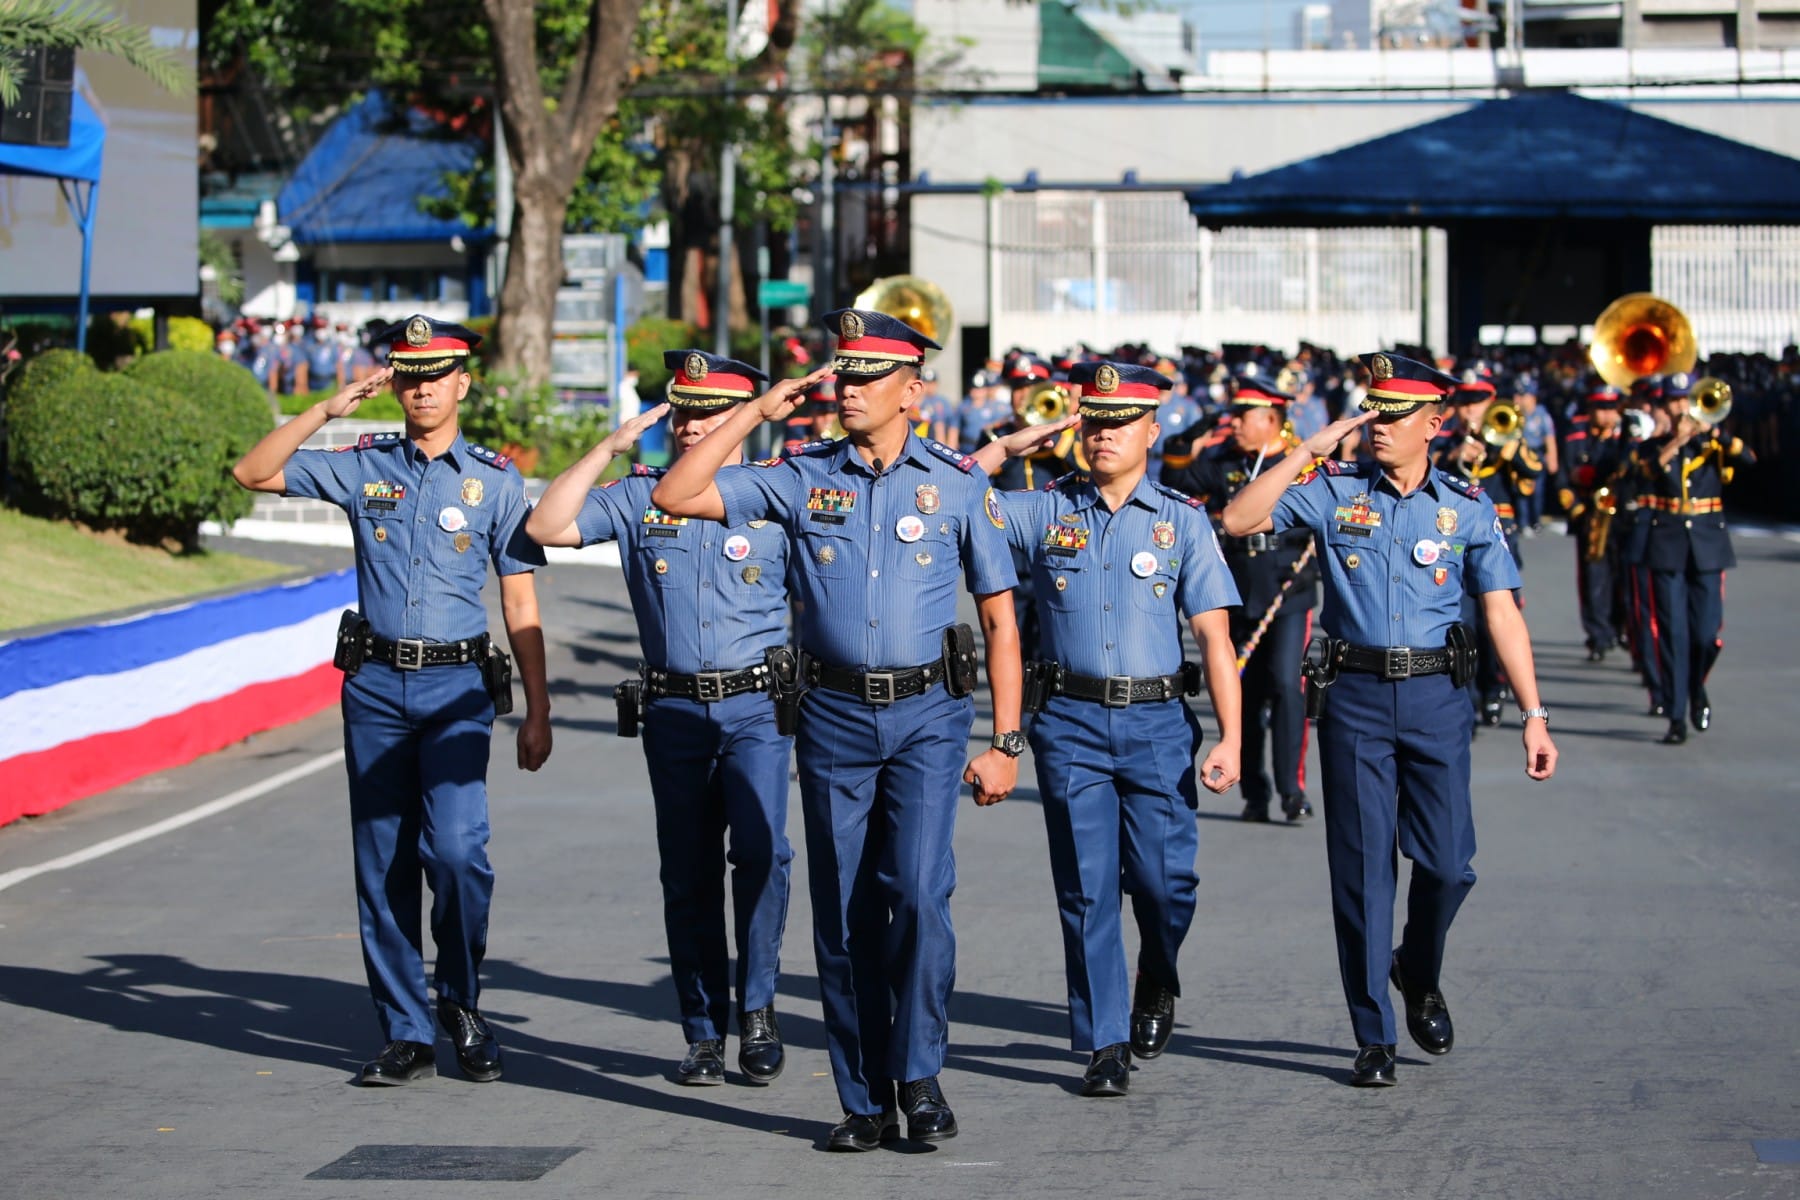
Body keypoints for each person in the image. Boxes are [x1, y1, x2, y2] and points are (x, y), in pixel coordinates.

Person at [651, 308, 1022, 1152]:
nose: (848, 388)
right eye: (842, 373)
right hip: (833, 717)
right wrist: (752, 414)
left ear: (913, 389)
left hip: (930, 715)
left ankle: (919, 1077)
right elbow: (675, 493)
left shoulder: (958, 481)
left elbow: (1001, 622)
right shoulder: (799, 474)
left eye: (867, 376)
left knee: (921, 897)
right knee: (846, 911)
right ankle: (863, 1100)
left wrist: (1004, 745)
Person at [231, 314, 553, 1086]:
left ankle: (462, 999)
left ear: (462, 383)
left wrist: (538, 708)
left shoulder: (496, 480)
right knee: (381, 863)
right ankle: (405, 1030)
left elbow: (519, 601)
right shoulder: (363, 464)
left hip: (456, 690)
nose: (422, 389)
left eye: (436, 375)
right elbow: (253, 472)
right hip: (374, 687)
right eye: (409, 377)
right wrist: (327, 410)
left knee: (457, 854)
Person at [1222, 350, 1557, 1088]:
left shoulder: (1468, 505)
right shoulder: (1335, 491)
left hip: (1439, 698)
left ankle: (1418, 966)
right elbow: (1240, 516)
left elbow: (1501, 611)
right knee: (1365, 873)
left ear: (1434, 424)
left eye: (1395, 415)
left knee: (1447, 866)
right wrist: (1307, 449)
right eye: (1372, 411)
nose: (1378, 425)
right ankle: (1372, 1033)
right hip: (1356, 698)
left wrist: (1534, 714)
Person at [526, 351, 797, 1086]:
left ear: (743, 417)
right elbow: (547, 526)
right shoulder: (639, 494)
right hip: (673, 706)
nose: (687, 425)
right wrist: (608, 448)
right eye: (681, 411)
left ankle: (760, 1010)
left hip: (757, 705)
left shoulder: (779, 493)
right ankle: (704, 1030)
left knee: (765, 859)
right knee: (688, 871)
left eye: (707, 412)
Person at [973, 360, 1241, 1098]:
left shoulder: (1182, 518)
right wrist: (1027, 437)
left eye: (1120, 422)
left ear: (1153, 430)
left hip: (1158, 722)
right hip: (1070, 722)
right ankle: (1105, 1041)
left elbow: (1216, 639)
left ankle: (1157, 968)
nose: (1102, 435)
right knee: (1087, 889)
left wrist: (1232, 736)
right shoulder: (1045, 509)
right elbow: (962, 486)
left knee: (1165, 883)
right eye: (1092, 421)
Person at [1165, 371, 1318, 823]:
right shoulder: (1223, 460)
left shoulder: (1299, 463)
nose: (1235, 424)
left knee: (1289, 688)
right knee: (1243, 695)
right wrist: (1197, 431)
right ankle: (1255, 791)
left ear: (1272, 419)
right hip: (1237, 590)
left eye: (1244, 416)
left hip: (1288, 591)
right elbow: (1175, 472)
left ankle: (1293, 789)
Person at [1634, 372, 1755, 745]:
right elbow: (1645, 473)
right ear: (1663, 405)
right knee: (1671, 634)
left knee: (1705, 634)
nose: (1681, 406)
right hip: (1667, 544)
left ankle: (1696, 689)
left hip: (1708, 544)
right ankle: (1675, 714)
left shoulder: (1714, 445)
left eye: (1686, 399)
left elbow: (1749, 459)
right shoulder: (1653, 445)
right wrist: (1679, 438)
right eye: (1674, 400)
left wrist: (1712, 433)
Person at [1557, 381, 1628, 662]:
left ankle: (1620, 628)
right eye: (1601, 408)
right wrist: (1575, 509)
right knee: (1593, 578)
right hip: (1590, 513)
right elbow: (1563, 477)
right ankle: (1597, 634)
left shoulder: (1626, 436)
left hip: (1621, 515)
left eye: (1612, 408)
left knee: (1622, 576)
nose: (1607, 414)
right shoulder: (1576, 435)